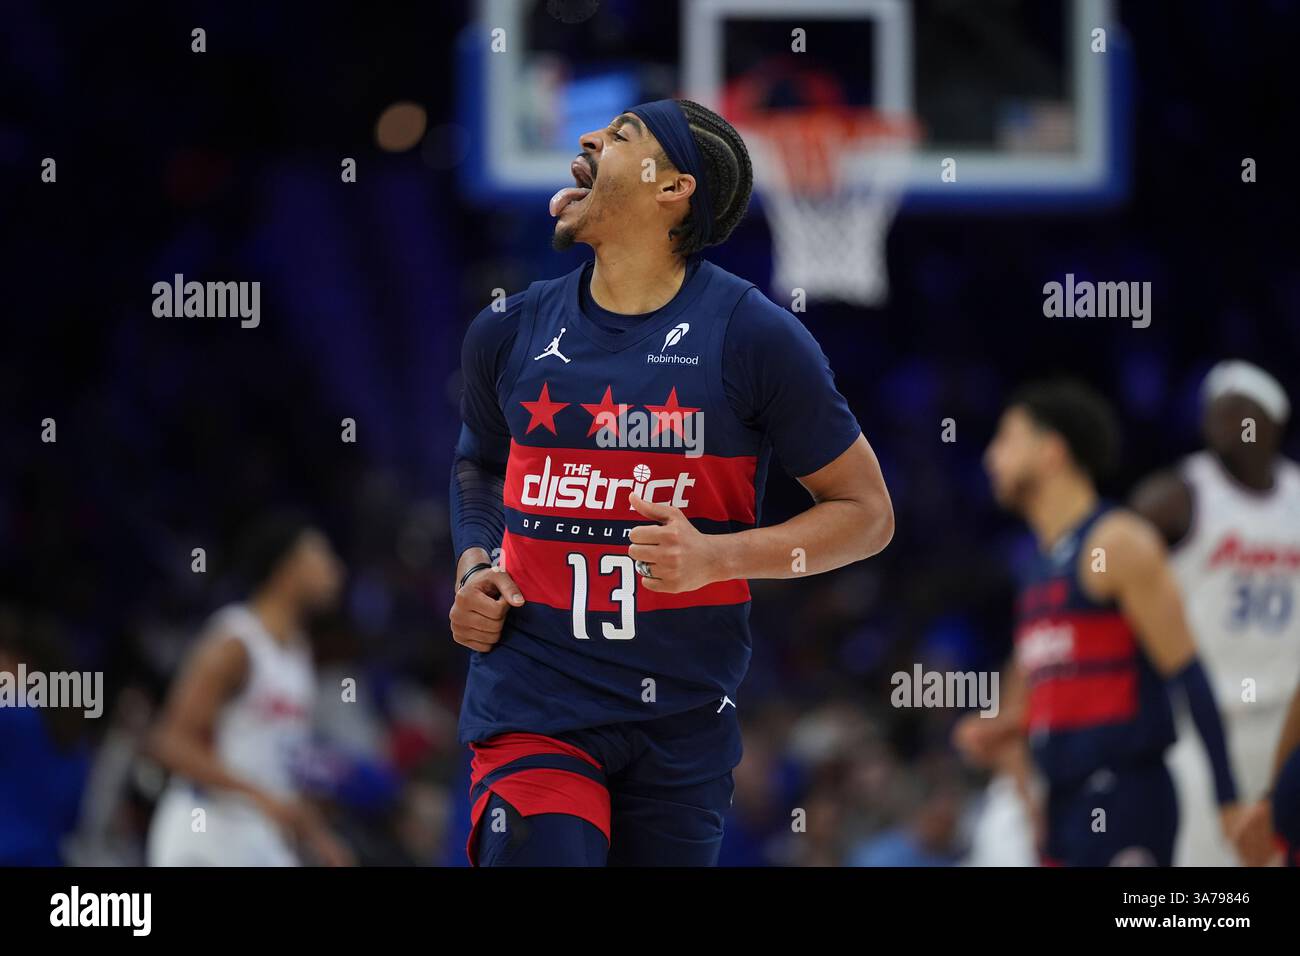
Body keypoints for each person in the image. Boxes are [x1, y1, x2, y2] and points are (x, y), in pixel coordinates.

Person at [449, 99, 894, 865]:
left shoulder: (755, 337)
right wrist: (473, 564)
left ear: (672, 188)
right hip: (535, 704)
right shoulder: (508, 328)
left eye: (621, 135)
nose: (588, 139)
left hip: (682, 723)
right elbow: (479, 465)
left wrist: (721, 559)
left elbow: (866, 514)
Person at [958, 380, 1240, 866]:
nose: (990, 457)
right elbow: (1045, 698)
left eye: (1006, 439)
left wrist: (1229, 804)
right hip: (1063, 806)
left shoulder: (1116, 542)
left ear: (1051, 452)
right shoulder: (1038, 568)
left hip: (1125, 797)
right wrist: (998, 730)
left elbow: (1190, 675)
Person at [1131, 360, 1300, 865]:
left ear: (1270, 421)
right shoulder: (1177, 495)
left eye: (1235, 412)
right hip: (1206, 728)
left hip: (1288, 727)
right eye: (1213, 413)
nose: (1220, 424)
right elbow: (1106, 558)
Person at [146, 513, 352, 866]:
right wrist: (261, 796)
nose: (335, 570)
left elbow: (274, 763)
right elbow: (169, 742)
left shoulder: (298, 653)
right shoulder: (236, 642)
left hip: (255, 836)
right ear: (286, 569)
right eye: (320, 556)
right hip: (205, 831)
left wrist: (317, 836)